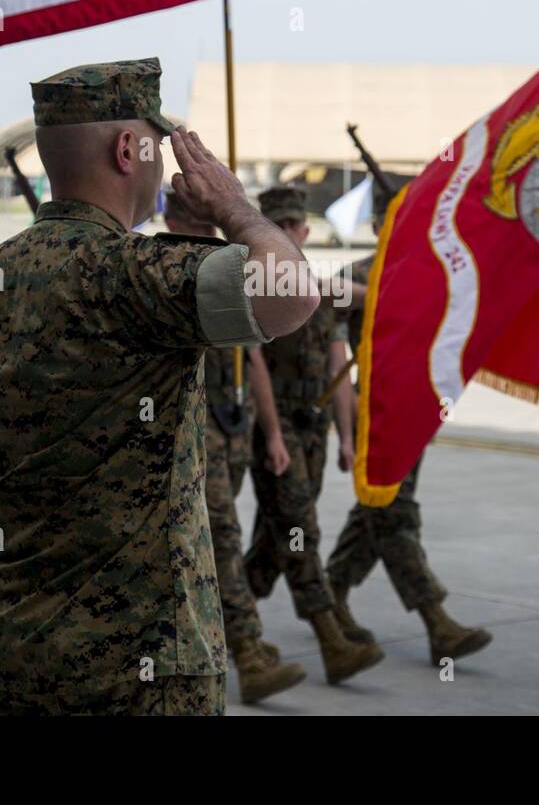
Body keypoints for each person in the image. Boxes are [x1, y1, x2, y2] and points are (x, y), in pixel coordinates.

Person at [0, 58, 319, 716]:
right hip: (145, 677)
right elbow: (294, 292)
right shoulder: (140, 276)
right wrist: (236, 208)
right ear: (129, 150)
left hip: (11, 664)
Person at [325, 176, 493, 664]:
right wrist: (347, 431)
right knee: (395, 517)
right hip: (369, 416)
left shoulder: (429, 274)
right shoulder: (353, 278)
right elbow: (334, 354)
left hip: (413, 412)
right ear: (378, 225)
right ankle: (436, 621)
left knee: (376, 511)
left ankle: (330, 590)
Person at [161, 190, 306, 704]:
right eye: (203, 229)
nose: (210, 240)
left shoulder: (222, 272)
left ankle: (234, 638)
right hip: (192, 433)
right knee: (221, 534)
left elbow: (256, 357)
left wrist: (271, 433)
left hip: (232, 428)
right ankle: (246, 651)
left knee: (220, 537)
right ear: (176, 222)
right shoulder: (163, 273)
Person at [244, 186, 384, 684]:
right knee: (301, 529)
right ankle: (329, 638)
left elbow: (337, 366)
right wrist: (275, 435)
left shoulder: (323, 292)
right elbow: (254, 360)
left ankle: (225, 619)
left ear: (305, 230)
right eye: (275, 226)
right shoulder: (261, 284)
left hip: (314, 431)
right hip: (273, 432)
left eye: (293, 225)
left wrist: (346, 438)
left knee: (275, 537)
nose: (287, 233)